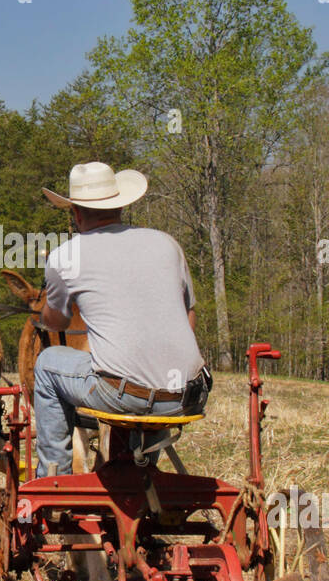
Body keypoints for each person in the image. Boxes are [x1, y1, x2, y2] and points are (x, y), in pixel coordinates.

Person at [34, 161, 211, 477]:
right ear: (120, 206)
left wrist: (44, 311)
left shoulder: (66, 255)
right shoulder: (167, 244)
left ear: (75, 213)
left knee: (47, 364)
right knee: (135, 378)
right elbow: (189, 317)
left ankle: (54, 475)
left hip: (124, 395)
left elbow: (57, 322)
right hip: (187, 394)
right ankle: (137, 470)